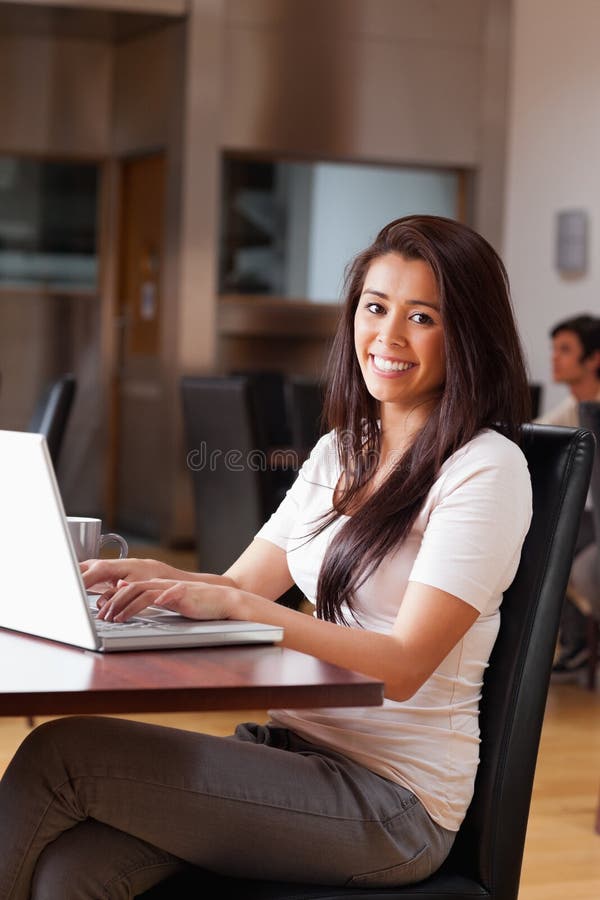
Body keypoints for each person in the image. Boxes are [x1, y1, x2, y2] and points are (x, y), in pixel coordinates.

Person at [0, 216, 533, 899]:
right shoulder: (343, 448)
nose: (389, 336)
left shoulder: (485, 470)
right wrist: (167, 580)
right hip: (286, 757)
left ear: (468, 335)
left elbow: (403, 666)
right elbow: (242, 585)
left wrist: (239, 605)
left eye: (422, 317)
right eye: (375, 308)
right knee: (69, 872)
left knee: (61, 755)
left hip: (391, 803)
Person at [534, 314, 600, 678]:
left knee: (561, 546)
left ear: (594, 359)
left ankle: (579, 644)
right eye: (554, 349)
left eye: (565, 350)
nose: (554, 358)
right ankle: (576, 645)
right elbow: (536, 435)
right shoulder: (572, 410)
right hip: (590, 520)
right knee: (545, 538)